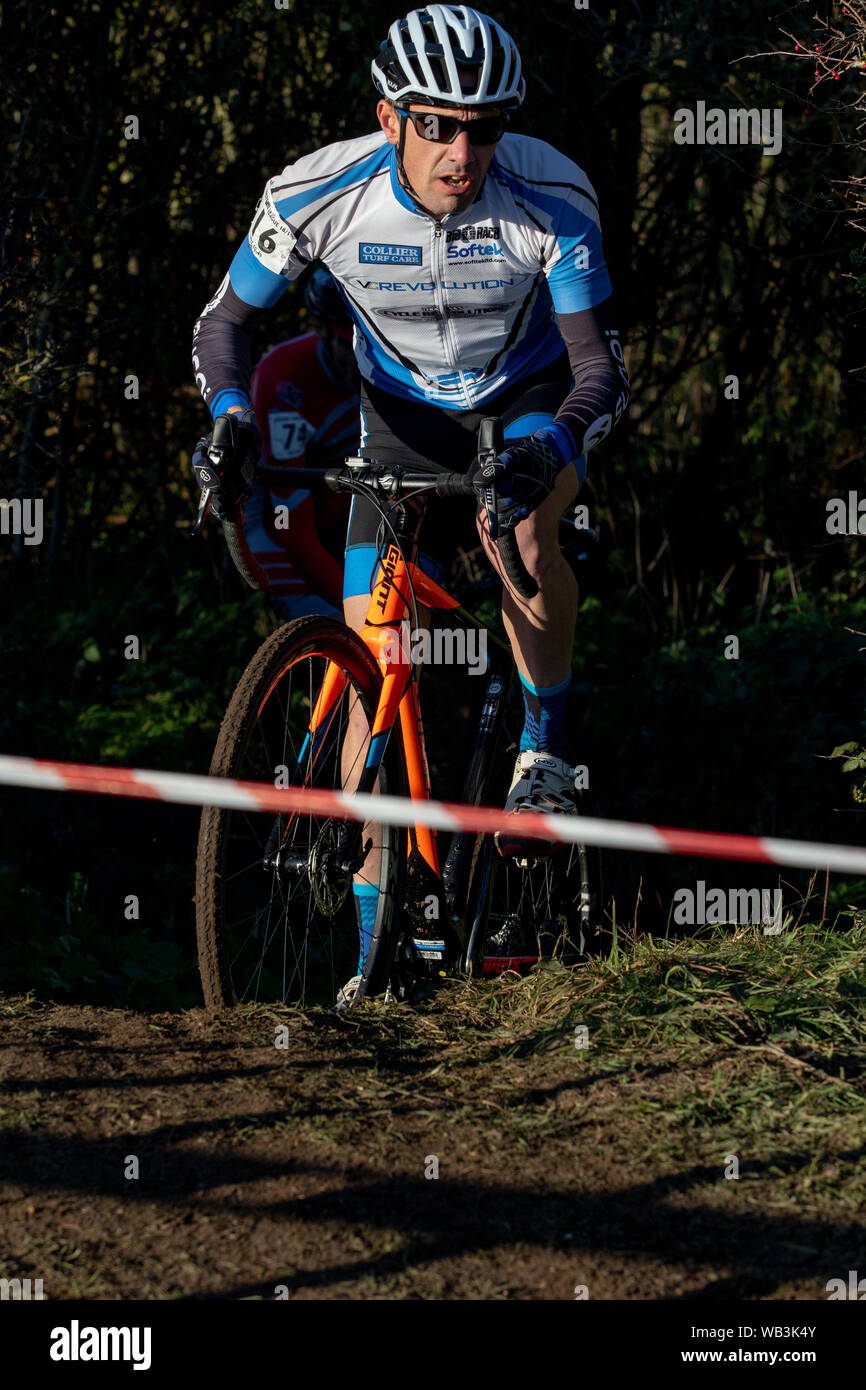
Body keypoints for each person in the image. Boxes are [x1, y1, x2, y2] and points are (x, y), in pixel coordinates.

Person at [191, 5, 630, 999]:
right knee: (368, 655)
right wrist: (228, 414)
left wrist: (553, 444)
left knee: (514, 523)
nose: (461, 151)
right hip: (395, 417)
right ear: (388, 117)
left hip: (528, 398)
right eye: (437, 124)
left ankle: (543, 745)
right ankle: (375, 954)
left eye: (483, 127)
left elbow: (597, 364)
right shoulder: (315, 192)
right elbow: (224, 326)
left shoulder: (549, 193)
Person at [218, 266, 360, 620]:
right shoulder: (284, 378)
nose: (362, 358)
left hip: (337, 502)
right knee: (345, 625)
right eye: (349, 345)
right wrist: (364, 615)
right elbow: (294, 532)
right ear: (321, 330)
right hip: (275, 522)